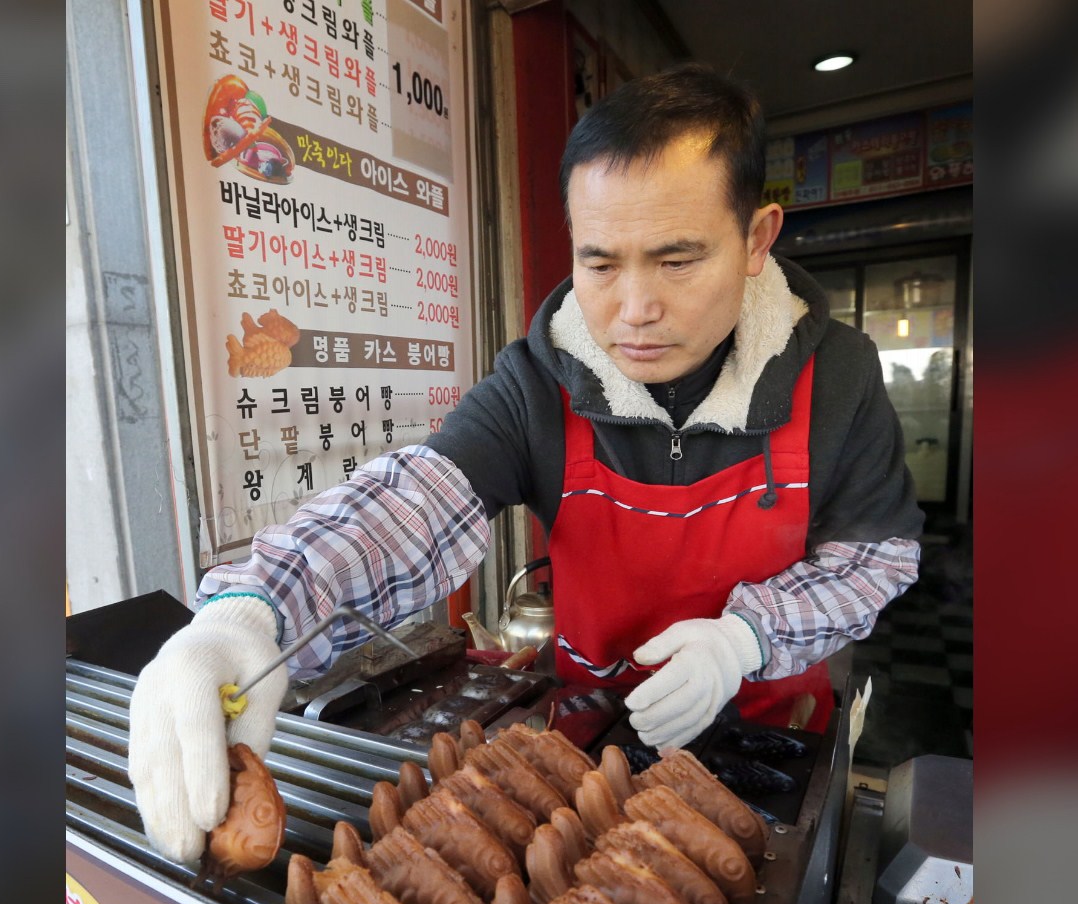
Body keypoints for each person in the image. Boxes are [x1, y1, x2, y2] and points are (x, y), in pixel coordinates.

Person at [127, 64, 923, 862]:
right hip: (588, 744)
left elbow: (875, 558)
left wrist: (745, 639)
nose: (634, 310)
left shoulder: (837, 376)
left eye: (677, 261)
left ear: (756, 239)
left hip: (773, 747)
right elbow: (414, 501)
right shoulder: (542, 381)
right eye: (600, 264)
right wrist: (253, 612)